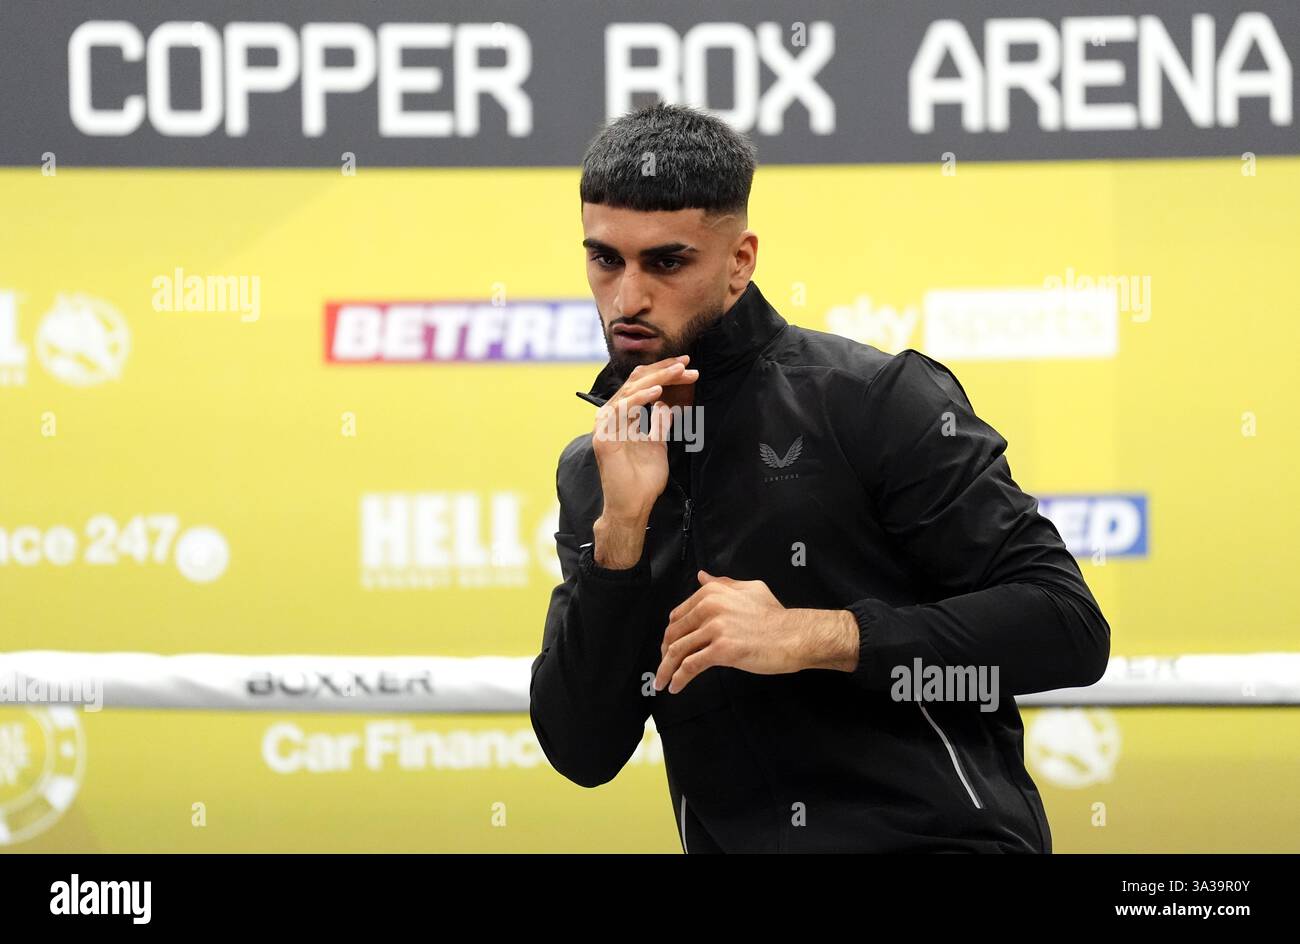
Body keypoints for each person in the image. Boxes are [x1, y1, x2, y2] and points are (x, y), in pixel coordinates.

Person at [529, 101, 1110, 853]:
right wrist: (620, 537)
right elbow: (584, 751)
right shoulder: (595, 472)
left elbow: (1068, 628)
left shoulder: (873, 400)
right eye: (606, 259)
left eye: (667, 262)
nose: (627, 297)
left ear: (740, 261)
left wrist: (817, 635)